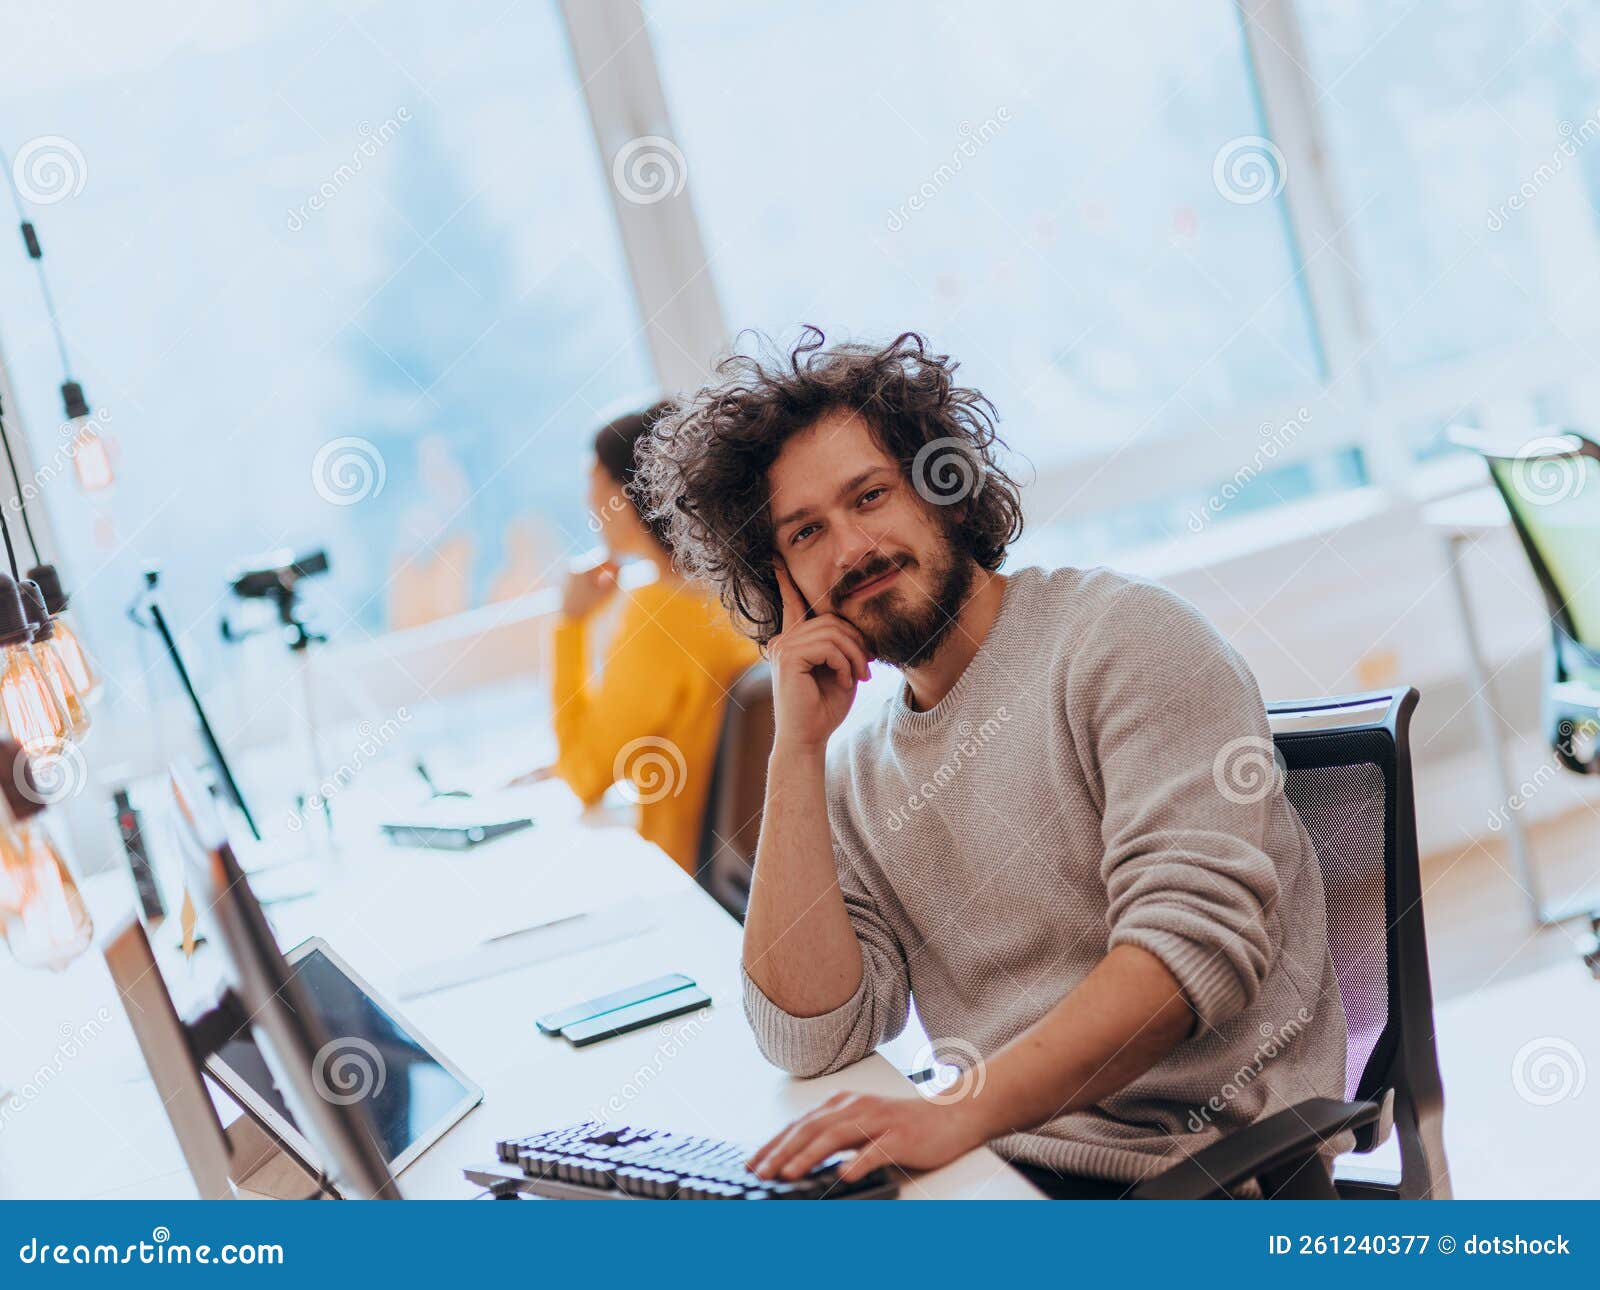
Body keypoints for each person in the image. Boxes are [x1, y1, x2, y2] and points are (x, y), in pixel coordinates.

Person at [635, 330, 1348, 1197]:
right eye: (806, 532)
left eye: (870, 496)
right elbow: (809, 1036)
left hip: (1192, 1178)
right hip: (994, 1163)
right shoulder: (853, 767)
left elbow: (1186, 956)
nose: (852, 549)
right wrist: (795, 752)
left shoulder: (1122, 640)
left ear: (945, 490)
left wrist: (957, 1113)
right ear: (778, 579)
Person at [518, 402, 759, 875]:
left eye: (595, 479)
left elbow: (583, 776)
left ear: (628, 494)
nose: (589, 500)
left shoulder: (660, 614)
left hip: (677, 874)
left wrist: (570, 624)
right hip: (734, 872)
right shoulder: (736, 590)